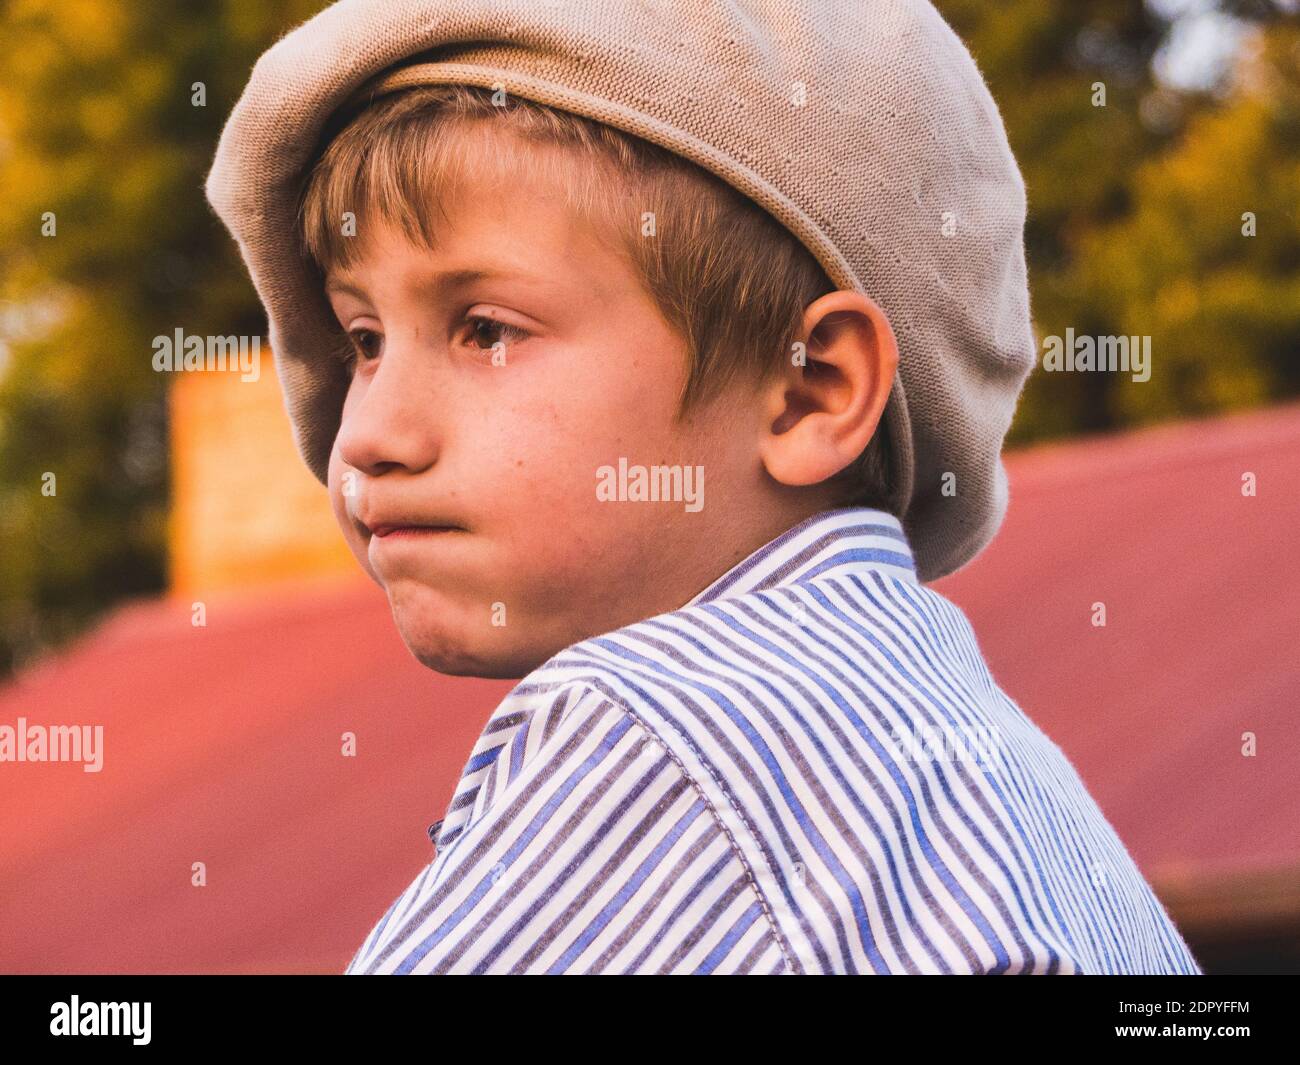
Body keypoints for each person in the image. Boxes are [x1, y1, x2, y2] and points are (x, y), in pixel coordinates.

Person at [205, 0, 1203, 975]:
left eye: (487, 331)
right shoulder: (1021, 796)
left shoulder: (665, 738)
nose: (367, 433)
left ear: (809, 391)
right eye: (363, 342)